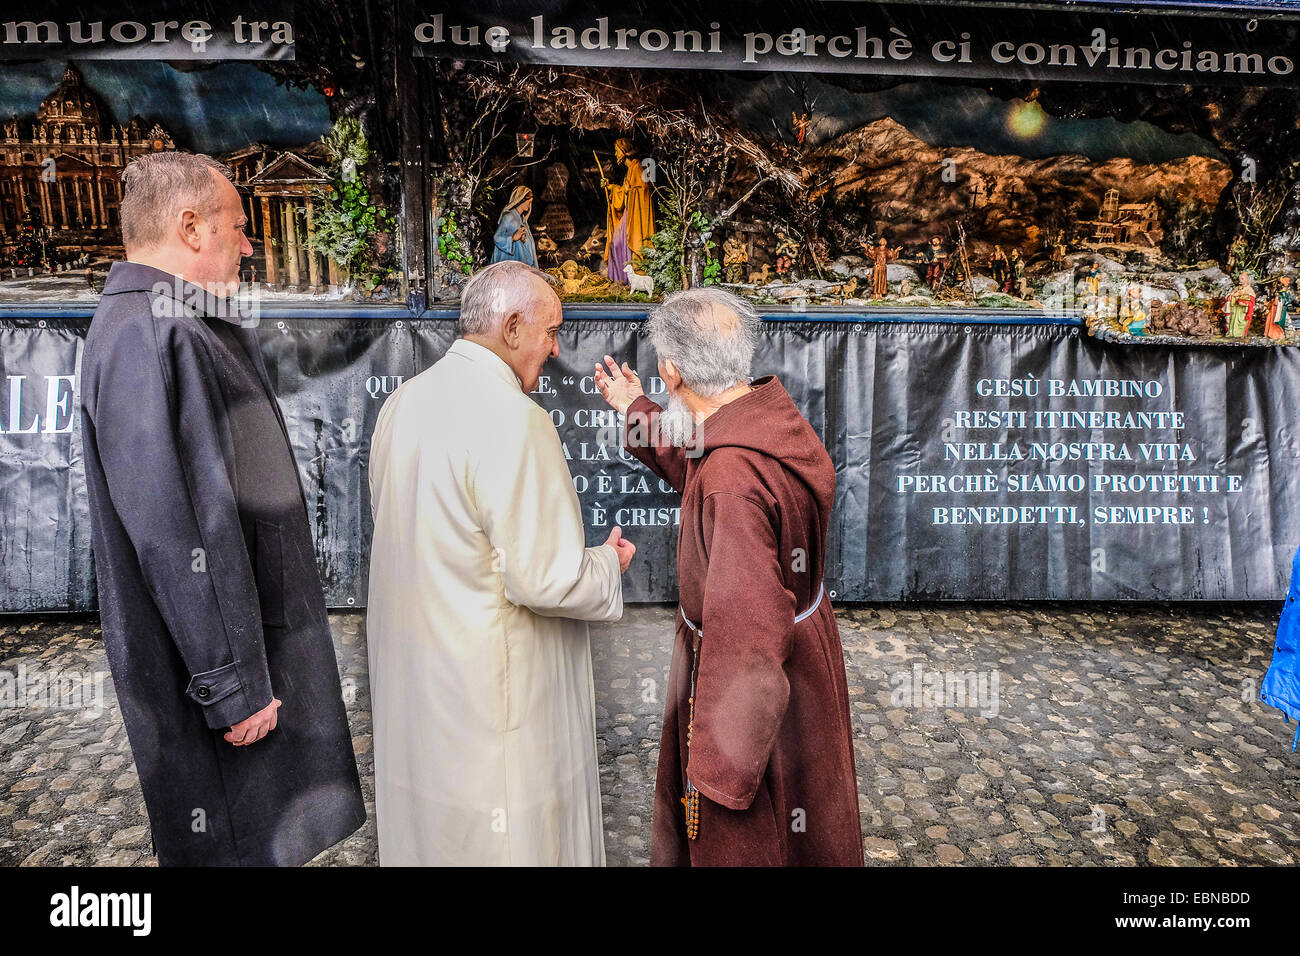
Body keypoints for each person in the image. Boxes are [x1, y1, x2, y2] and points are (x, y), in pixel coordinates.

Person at [78, 151, 366, 865]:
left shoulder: (169, 323)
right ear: (190, 225)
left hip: (243, 656)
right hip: (224, 681)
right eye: (237, 228)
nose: (248, 244)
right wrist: (231, 687)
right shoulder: (156, 333)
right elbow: (175, 533)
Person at [367, 260, 635, 866]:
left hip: (419, 685)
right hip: (494, 699)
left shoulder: (402, 405)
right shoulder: (517, 419)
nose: (555, 347)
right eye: (551, 330)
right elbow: (546, 578)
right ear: (512, 327)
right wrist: (605, 565)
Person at [592, 287, 863, 867]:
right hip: (802, 663)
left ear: (671, 370)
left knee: (750, 838)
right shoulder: (765, 419)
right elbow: (702, 457)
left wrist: (721, 768)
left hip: (756, 688)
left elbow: (747, 634)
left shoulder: (731, 479)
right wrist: (637, 409)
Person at [601, 137, 654, 282]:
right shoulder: (631, 169)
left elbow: (640, 192)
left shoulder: (637, 167)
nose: (616, 154)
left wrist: (627, 192)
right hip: (629, 213)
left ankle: (628, 278)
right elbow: (625, 192)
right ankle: (620, 278)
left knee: (617, 242)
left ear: (625, 152)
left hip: (634, 216)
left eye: (617, 151)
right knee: (615, 242)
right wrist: (611, 187)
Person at [491, 185, 537, 266]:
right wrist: (512, 238)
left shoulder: (523, 220)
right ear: (521, 200)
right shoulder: (508, 217)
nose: (530, 206)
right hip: (510, 262)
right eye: (529, 202)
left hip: (520, 262)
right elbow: (497, 237)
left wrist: (524, 240)